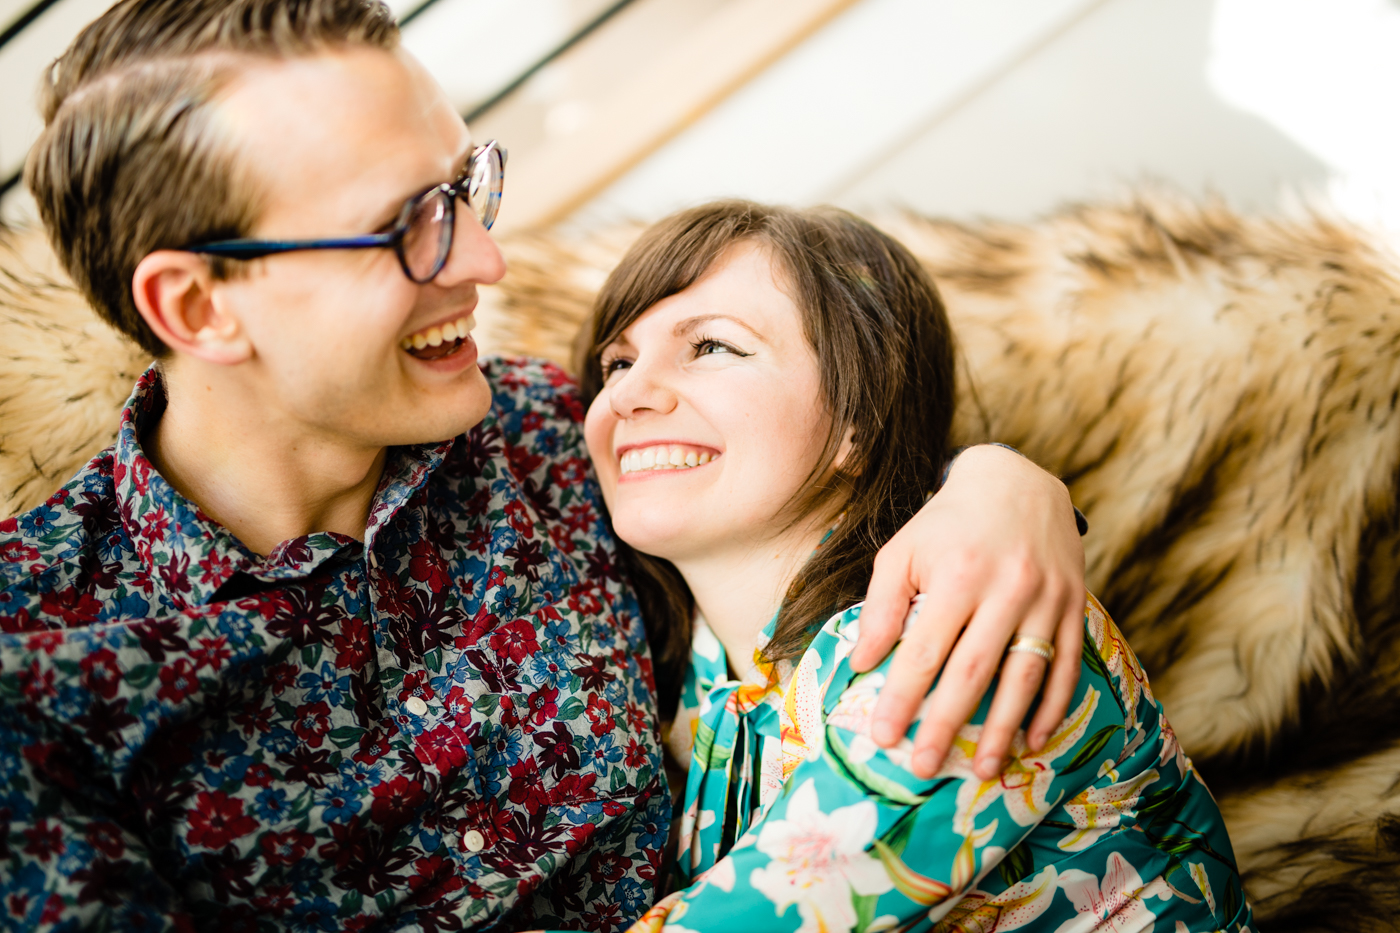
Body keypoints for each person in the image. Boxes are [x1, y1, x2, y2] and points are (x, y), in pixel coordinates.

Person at [0, 1, 1086, 929]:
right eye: (406, 226)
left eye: (465, 187)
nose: (484, 258)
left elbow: (813, 455)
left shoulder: (551, 435)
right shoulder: (36, 670)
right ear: (196, 307)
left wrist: (996, 485)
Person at [573, 201, 1254, 932]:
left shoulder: (971, 623)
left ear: (858, 420)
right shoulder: (684, 690)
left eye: (712, 346)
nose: (629, 393)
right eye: (617, 361)